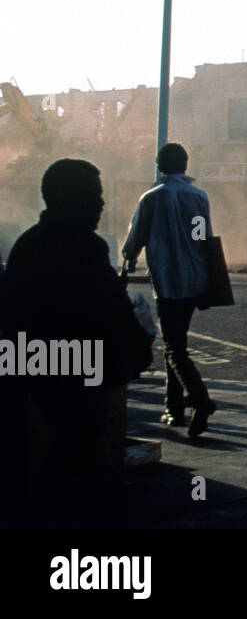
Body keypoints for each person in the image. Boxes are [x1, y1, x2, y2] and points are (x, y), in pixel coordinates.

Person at [0, 159, 153, 514]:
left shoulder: (28, 244)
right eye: (93, 195)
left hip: (37, 364)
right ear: (72, 198)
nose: (101, 203)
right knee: (80, 449)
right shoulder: (85, 247)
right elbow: (111, 307)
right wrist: (137, 348)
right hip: (78, 366)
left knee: (58, 448)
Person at [121, 143, 218, 437]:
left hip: (166, 280)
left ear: (159, 165)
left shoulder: (151, 197)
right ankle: (173, 409)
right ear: (185, 165)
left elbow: (135, 237)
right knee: (177, 343)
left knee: (174, 347)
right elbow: (204, 236)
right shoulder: (199, 196)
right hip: (193, 279)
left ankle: (200, 400)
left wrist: (129, 260)